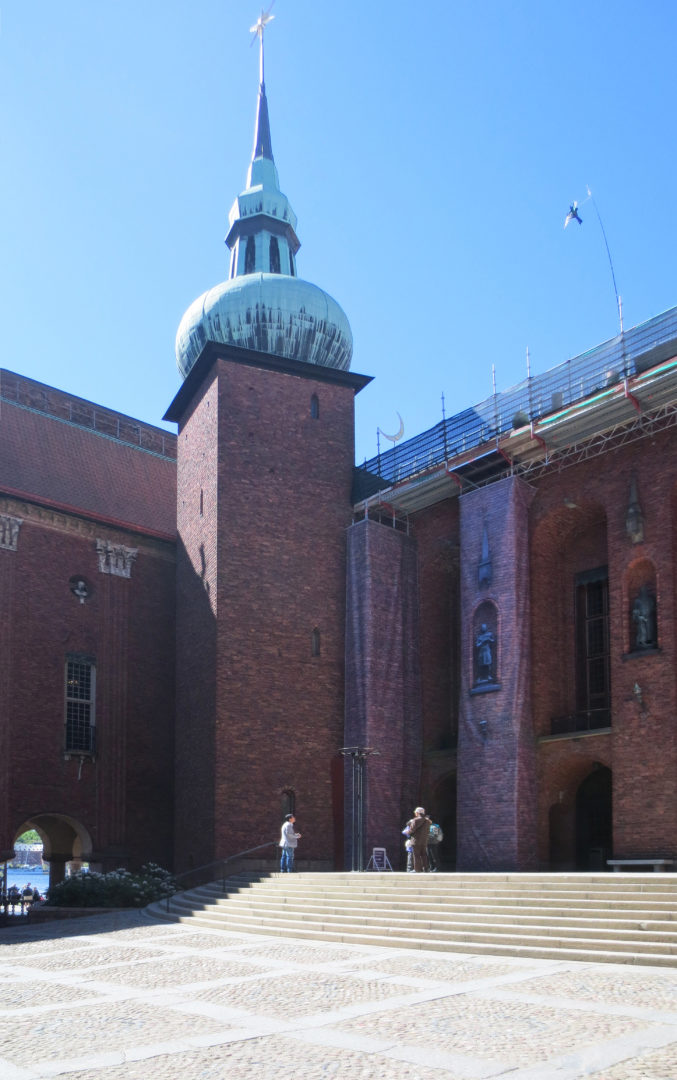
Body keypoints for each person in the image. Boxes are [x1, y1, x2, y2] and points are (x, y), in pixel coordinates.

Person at [406, 807, 431, 872]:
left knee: (416, 855)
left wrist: (407, 832)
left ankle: (417, 869)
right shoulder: (428, 821)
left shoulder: (415, 820)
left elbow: (412, 830)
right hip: (424, 841)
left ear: (417, 813)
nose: (415, 814)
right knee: (424, 854)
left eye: (415, 812)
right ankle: (426, 869)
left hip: (416, 840)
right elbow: (428, 831)